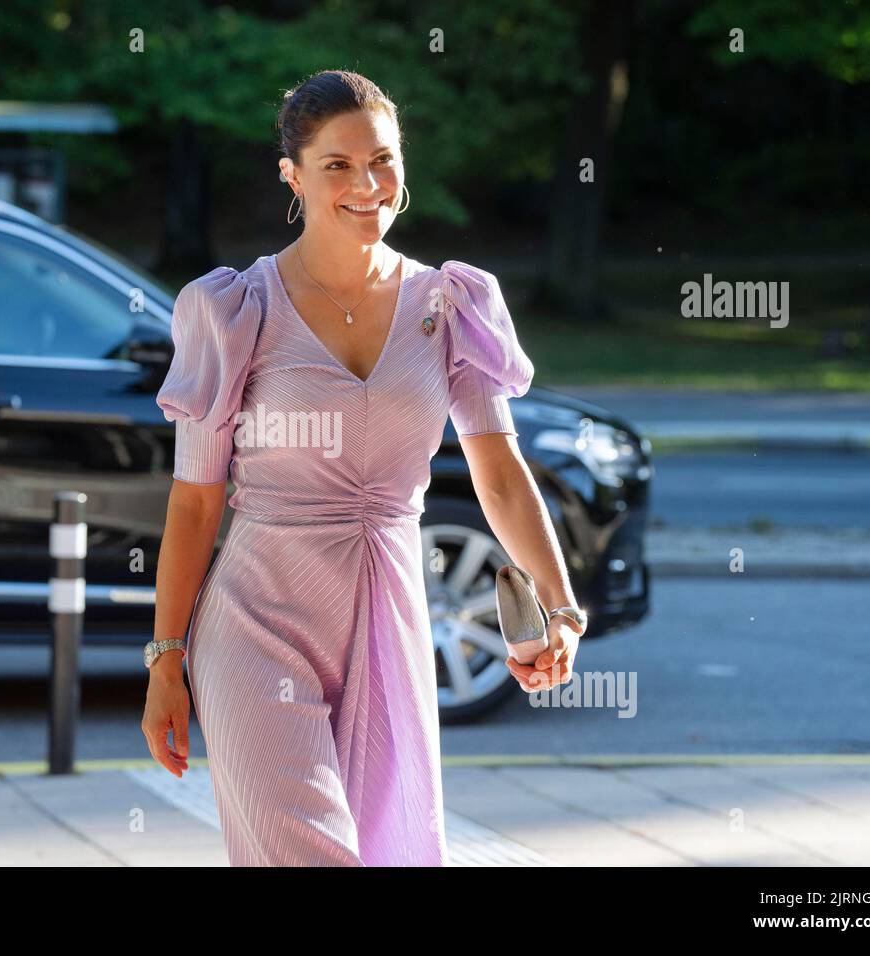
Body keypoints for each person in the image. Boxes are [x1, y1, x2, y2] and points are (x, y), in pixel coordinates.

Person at [141, 69, 587, 867]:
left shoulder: (451, 305)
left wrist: (561, 607)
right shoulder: (236, 310)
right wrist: (165, 660)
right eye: (337, 165)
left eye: (382, 160)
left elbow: (498, 470)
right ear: (293, 176)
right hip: (255, 627)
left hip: (390, 628)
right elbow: (196, 503)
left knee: (390, 851)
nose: (367, 184)